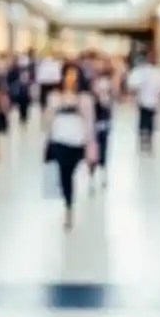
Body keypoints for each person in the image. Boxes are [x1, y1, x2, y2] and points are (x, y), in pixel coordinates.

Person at [43, 63, 97, 230]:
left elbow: (89, 123)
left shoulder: (85, 99)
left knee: (71, 173)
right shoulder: (54, 97)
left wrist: (90, 145)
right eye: (68, 75)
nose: (70, 80)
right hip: (60, 140)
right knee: (63, 174)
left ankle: (69, 200)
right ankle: (68, 206)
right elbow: (47, 120)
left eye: (74, 76)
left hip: (77, 141)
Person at [126, 54, 160, 154]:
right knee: (149, 119)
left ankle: (144, 137)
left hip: (144, 100)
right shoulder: (159, 72)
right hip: (151, 101)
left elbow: (133, 84)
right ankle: (147, 138)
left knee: (144, 118)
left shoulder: (143, 71)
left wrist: (132, 95)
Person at [88, 58, 116, 190]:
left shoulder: (108, 83)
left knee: (102, 145)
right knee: (93, 147)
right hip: (94, 119)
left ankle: (102, 171)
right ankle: (93, 173)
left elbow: (112, 98)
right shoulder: (90, 84)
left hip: (103, 118)